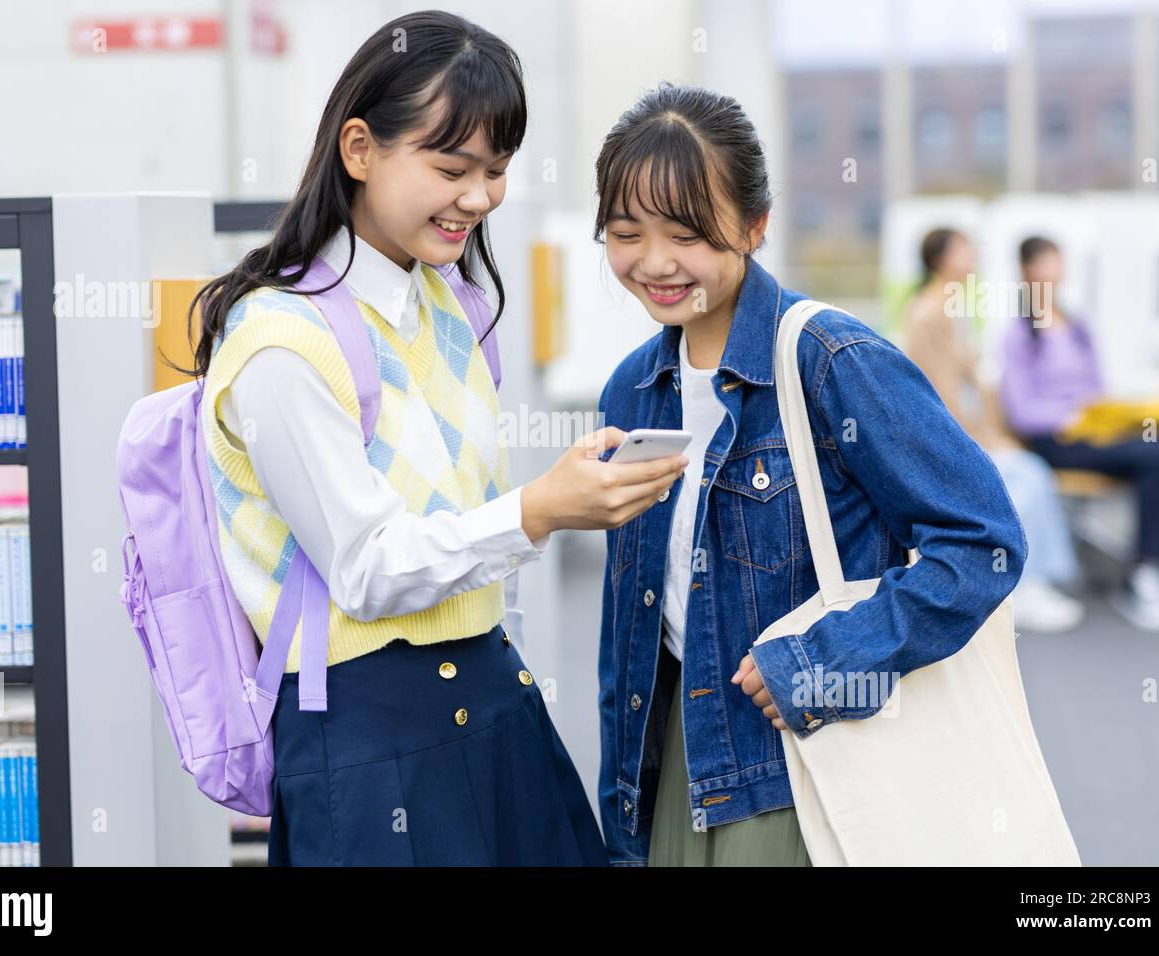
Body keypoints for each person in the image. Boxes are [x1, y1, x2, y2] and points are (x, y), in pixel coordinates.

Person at [181, 11, 686, 866]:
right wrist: (538, 512)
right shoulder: (278, 342)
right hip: (371, 741)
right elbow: (366, 568)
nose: (479, 198)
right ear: (359, 149)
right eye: (452, 167)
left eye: (495, 170)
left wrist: (531, 520)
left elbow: (464, 519)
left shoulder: (450, 304)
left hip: (494, 703)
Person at [592, 83, 1027, 867]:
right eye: (626, 232)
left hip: (805, 765)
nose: (653, 263)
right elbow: (635, 624)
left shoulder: (831, 360)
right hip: (670, 773)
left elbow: (984, 542)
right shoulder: (630, 389)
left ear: (755, 225)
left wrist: (822, 661)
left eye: (687, 233)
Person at [1001, 235, 1159, 631]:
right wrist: (1069, 417)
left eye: (1059, 264)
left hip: (1097, 432)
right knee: (1158, 460)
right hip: (1059, 441)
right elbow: (1022, 410)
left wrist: (1109, 415)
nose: (1055, 274)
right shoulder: (1019, 334)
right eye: (1046, 264)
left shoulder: (1077, 326)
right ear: (1026, 272)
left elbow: (1097, 389)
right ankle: (1146, 575)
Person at [904, 228, 1084, 633]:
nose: (974, 258)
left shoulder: (950, 308)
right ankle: (1021, 586)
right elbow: (941, 391)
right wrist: (983, 440)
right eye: (966, 251)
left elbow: (975, 384)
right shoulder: (930, 313)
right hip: (953, 441)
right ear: (942, 259)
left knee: (1031, 473)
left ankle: (1034, 581)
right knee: (1030, 478)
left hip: (972, 434)